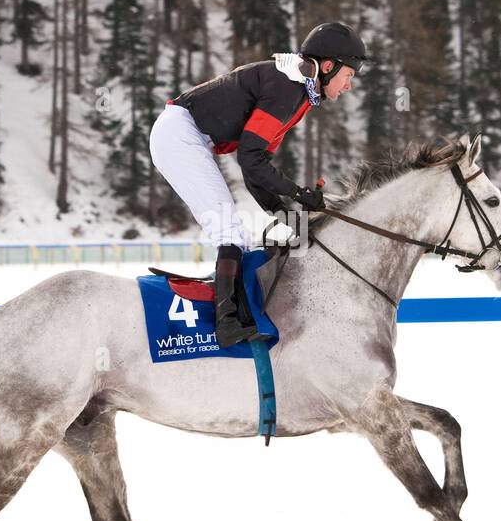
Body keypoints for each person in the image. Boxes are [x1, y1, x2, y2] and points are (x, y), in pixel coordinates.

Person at [149, 21, 367, 347]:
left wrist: (287, 216)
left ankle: (233, 318)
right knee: (231, 234)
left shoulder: (297, 88)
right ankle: (227, 326)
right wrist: (298, 194)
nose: (349, 85)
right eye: (349, 75)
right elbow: (250, 158)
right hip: (179, 135)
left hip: (181, 134)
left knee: (239, 239)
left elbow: (255, 169)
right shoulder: (288, 86)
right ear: (327, 66)